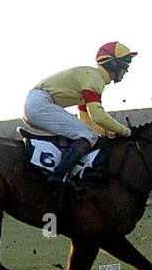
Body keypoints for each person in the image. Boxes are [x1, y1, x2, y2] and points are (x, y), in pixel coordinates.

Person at [23, 42, 137, 186]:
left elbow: (87, 120)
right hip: (41, 104)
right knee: (88, 136)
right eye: (125, 64)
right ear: (113, 63)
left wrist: (108, 134)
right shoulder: (95, 79)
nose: (126, 69)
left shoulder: (90, 77)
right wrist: (125, 132)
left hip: (38, 103)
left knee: (85, 134)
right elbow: (98, 116)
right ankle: (59, 175)